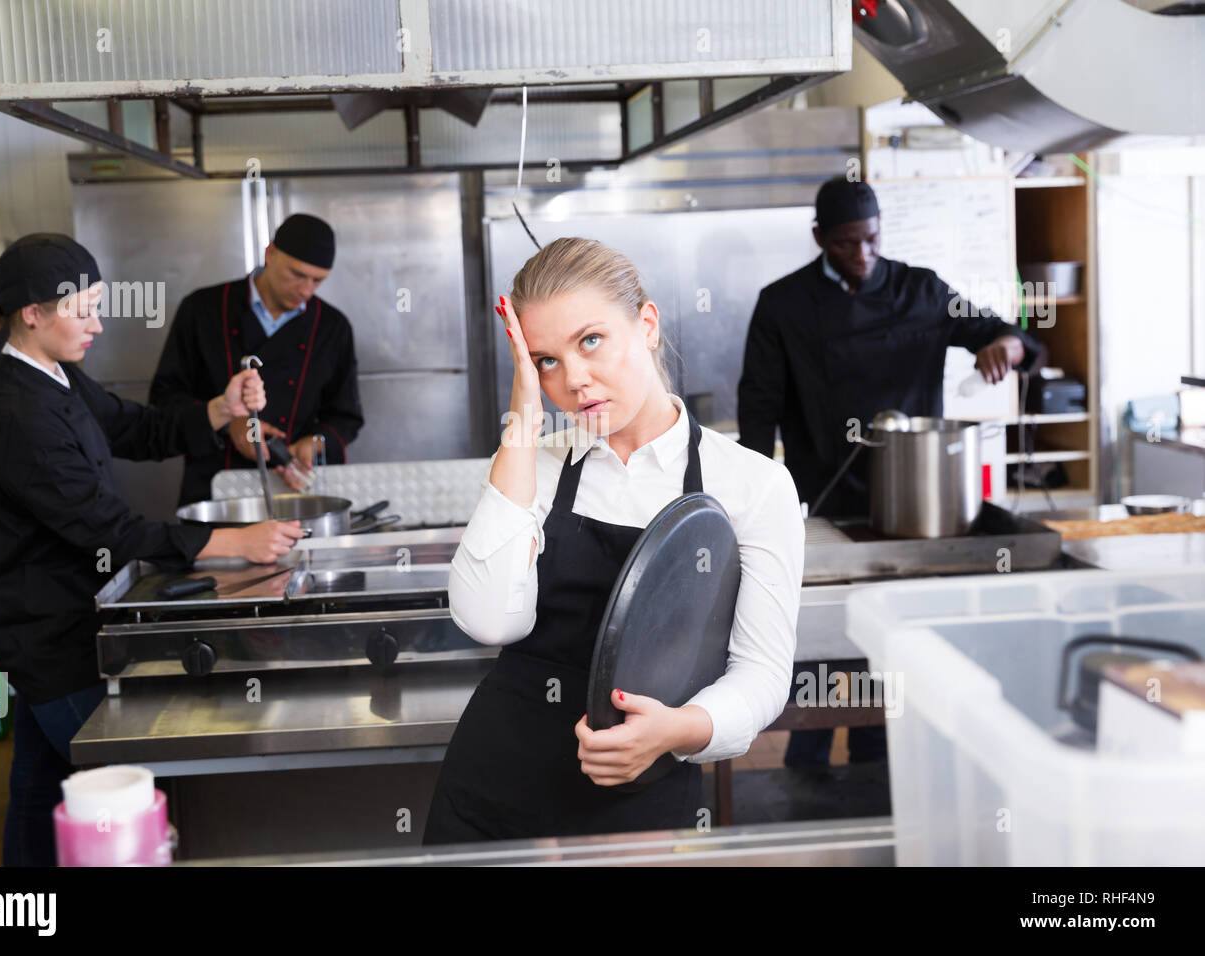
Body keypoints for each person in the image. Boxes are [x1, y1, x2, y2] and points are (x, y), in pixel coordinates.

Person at [424, 237, 805, 843]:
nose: (574, 380)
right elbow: (489, 621)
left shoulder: (753, 484)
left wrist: (675, 730)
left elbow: (760, 677)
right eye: (545, 360)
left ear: (647, 324)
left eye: (591, 340)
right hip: (491, 789)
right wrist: (522, 418)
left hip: (637, 799)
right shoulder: (535, 462)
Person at [0, 234, 305, 866]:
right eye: (82, 309)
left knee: (43, 793)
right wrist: (235, 541)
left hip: (63, 624)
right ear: (31, 313)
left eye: (98, 304)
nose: (96, 322)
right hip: (53, 638)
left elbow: (134, 427)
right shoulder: (19, 411)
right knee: (113, 789)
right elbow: (108, 530)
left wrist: (219, 406)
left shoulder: (54, 374)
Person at [736, 177, 1044, 767]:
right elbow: (758, 406)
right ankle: (806, 761)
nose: (862, 255)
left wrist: (1006, 346)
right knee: (822, 650)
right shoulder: (784, 304)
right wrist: (753, 503)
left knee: (893, 646)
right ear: (820, 237)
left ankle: (880, 764)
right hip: (825, 504)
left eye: (871, 241)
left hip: (913, 505)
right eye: (847, 244)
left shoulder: (921, 290)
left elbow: (1004, 335)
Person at [150, 213, 364, 505]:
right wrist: (228, 422)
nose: (306, 290)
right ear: (271, 254)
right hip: (215, 492)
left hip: (296, 493)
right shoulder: (203, 310)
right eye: (297, 275)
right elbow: (164, 398)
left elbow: (345, 415)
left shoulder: (332, 327)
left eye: (317, 281)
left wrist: (315, 443)